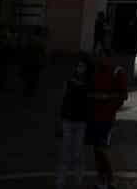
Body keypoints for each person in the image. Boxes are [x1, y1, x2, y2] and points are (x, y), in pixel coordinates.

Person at [86, 49, 128, 189]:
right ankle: (101, 181)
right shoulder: (95, 71)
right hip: (94, 116)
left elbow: (123, 95)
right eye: (99, 57)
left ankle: (110, 179)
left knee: (102, 149)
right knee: (96, 151)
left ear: (110, 58)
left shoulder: (117, 72)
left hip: (107, 117)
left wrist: (107, 97)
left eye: (103, 57)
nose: (100, 59)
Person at [56, 54, 93, 189]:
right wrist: (60, 119)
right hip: (68, 120)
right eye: (78, 66)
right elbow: (64, 100)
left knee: (78, 153)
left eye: (82, 66)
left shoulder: (89, 83)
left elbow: (89, 103)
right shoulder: (70, 81)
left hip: (81, 121)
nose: (79, 68)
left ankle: (78, 181)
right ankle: (60, 181)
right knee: (65, 152)